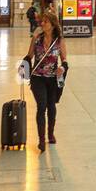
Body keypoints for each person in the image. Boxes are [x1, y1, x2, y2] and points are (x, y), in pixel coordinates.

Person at [24, 11, 69, 152]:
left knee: (51, 106)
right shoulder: (36, 38)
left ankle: (50, 133)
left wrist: (62, 67)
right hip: (38, 77)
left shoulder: (59, 40)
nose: (42, 24)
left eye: (45, 21)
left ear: (53, 24)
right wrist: (24, 69)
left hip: (53, 79)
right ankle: (41, 139)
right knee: (41, 106)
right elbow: (29, 56)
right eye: (41, 21)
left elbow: (65, 60)